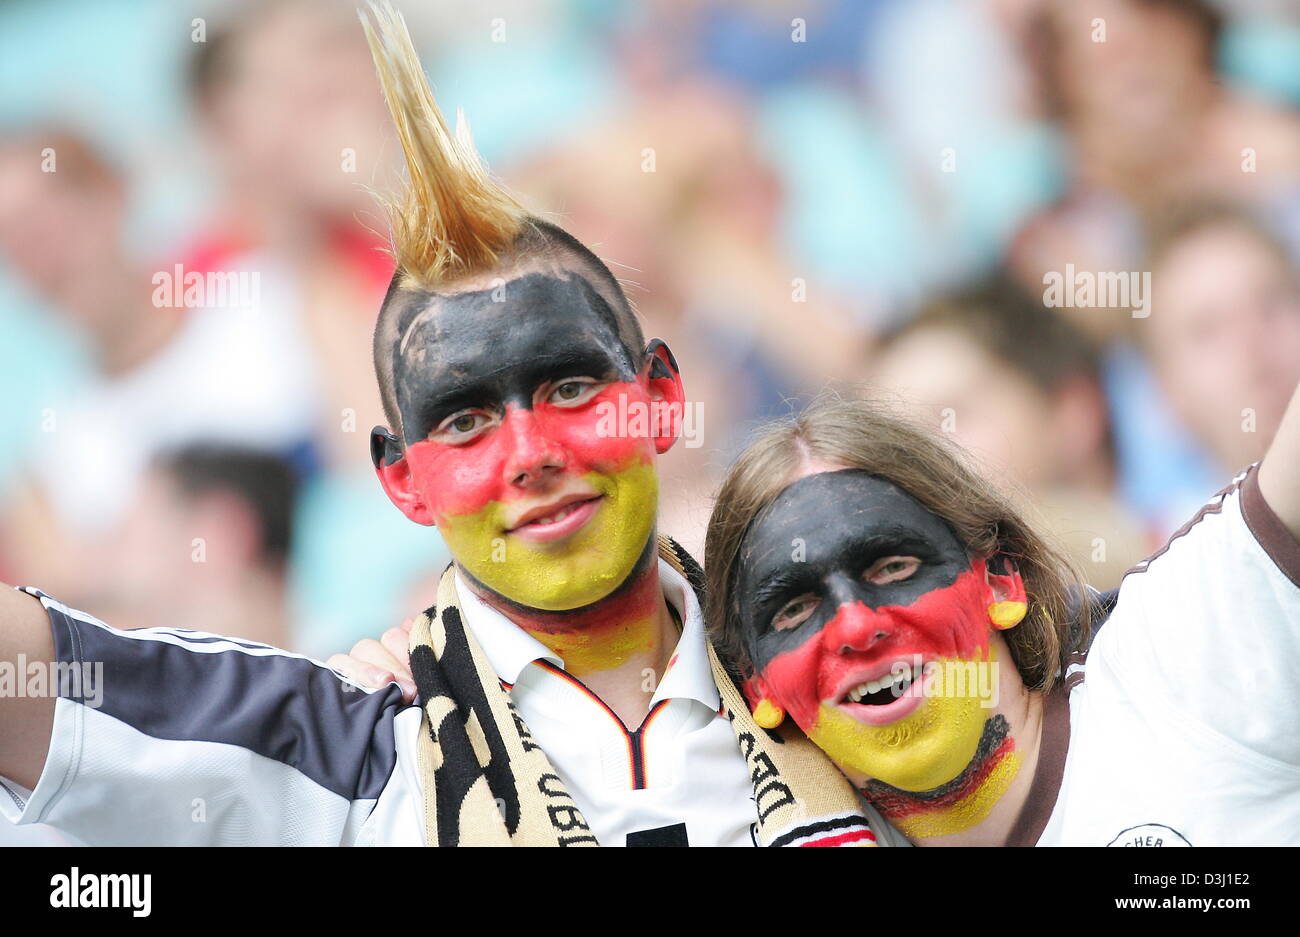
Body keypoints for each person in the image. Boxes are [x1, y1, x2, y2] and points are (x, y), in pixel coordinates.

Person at [0, 4, 888, 847]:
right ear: (402, 480)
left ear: (660, 393)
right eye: (464, 419)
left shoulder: (864, 648)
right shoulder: (353, 741)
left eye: (570, 386)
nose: (531, 454)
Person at [699, 384, 1300, 845]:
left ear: (1000, 580)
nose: (857, 626)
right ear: (756, 688)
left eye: (893, 569)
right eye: (795, 609)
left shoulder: (1179, 653)